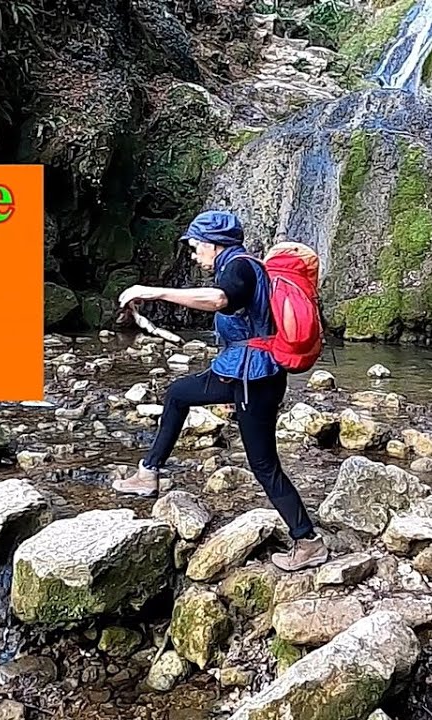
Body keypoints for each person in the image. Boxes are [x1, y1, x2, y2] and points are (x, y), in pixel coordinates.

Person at [114, 210, 329, 572]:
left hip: (252, 378)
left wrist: (152, 292)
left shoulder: (240, 268)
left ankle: (308, 542)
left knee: (264, 465)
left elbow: (218, 300)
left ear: (216, 245)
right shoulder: (242, 266)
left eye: (197, 247)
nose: (195, 255)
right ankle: (148, 472)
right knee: (179, 393)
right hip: (245, 374)